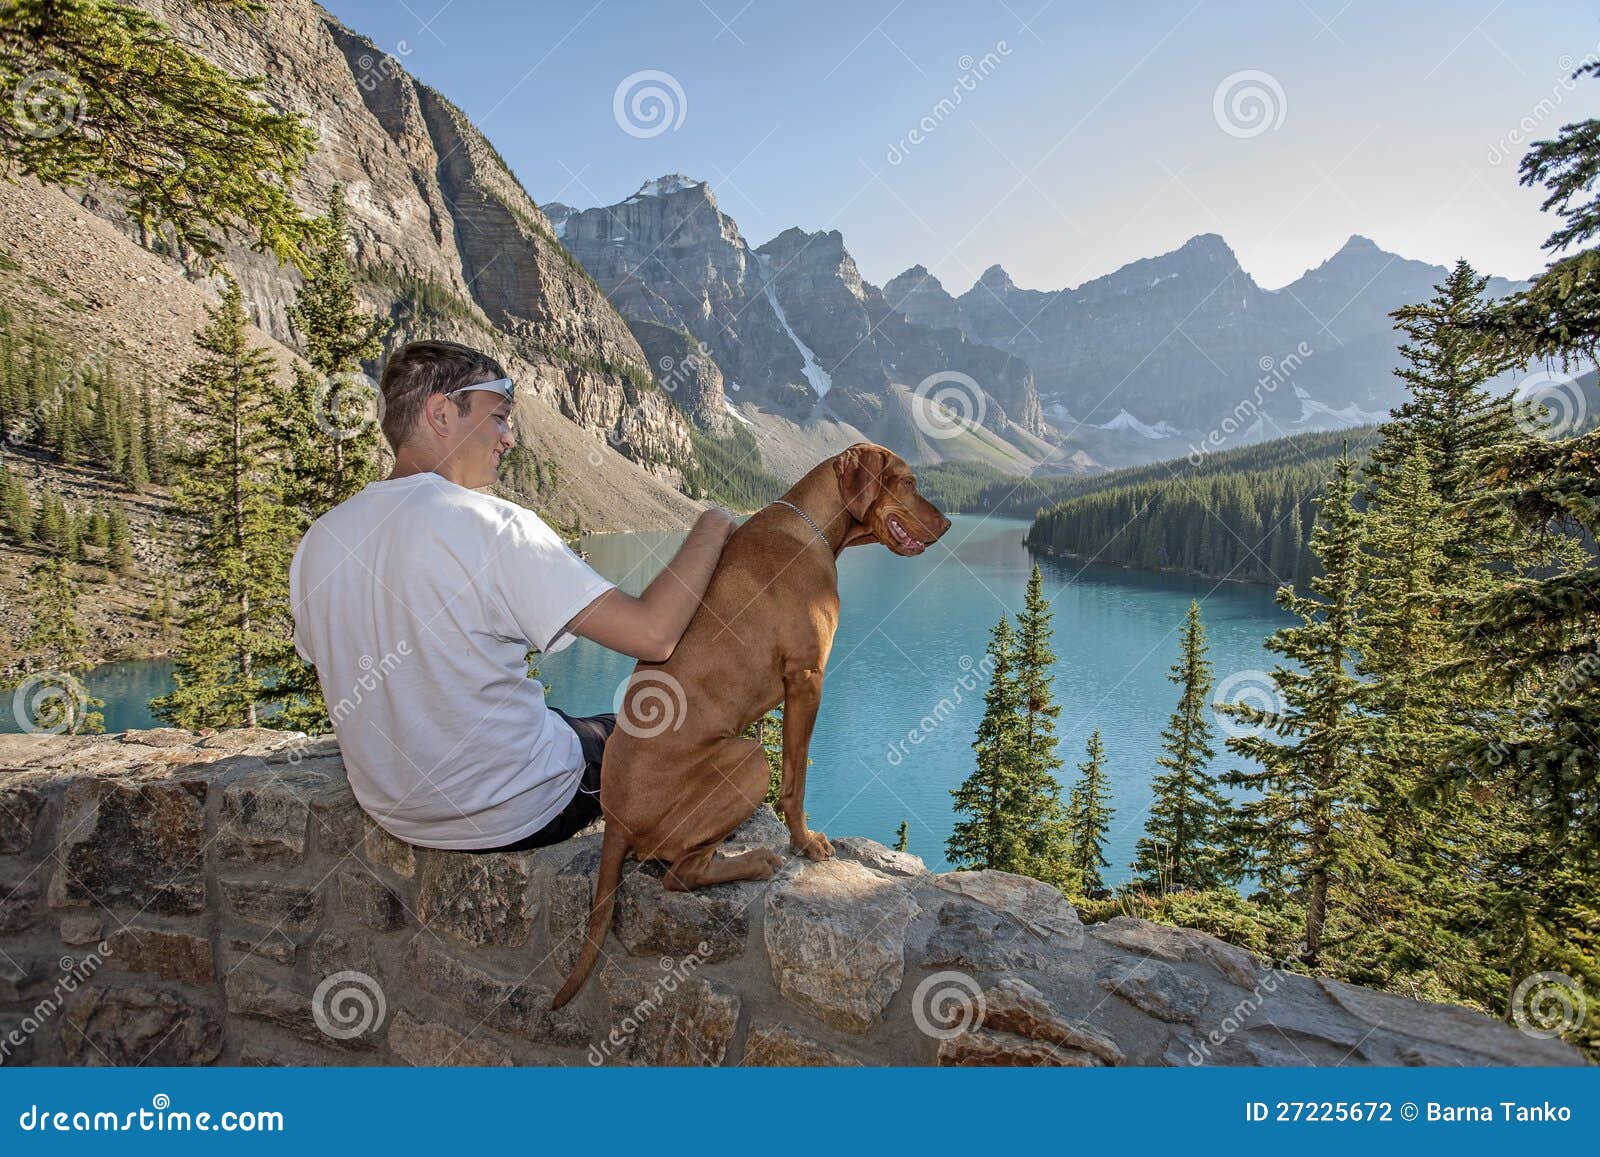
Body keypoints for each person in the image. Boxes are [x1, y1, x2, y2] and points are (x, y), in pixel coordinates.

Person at [288, 340, 736, 852]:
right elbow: (653, 634)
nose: (510, 437)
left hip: (398, 812)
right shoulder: (494, 526)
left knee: (577, 724)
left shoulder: (321, 538)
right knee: (669, 733)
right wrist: (712, 525)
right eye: (499, 417)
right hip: (516, 810)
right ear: (440, 414)